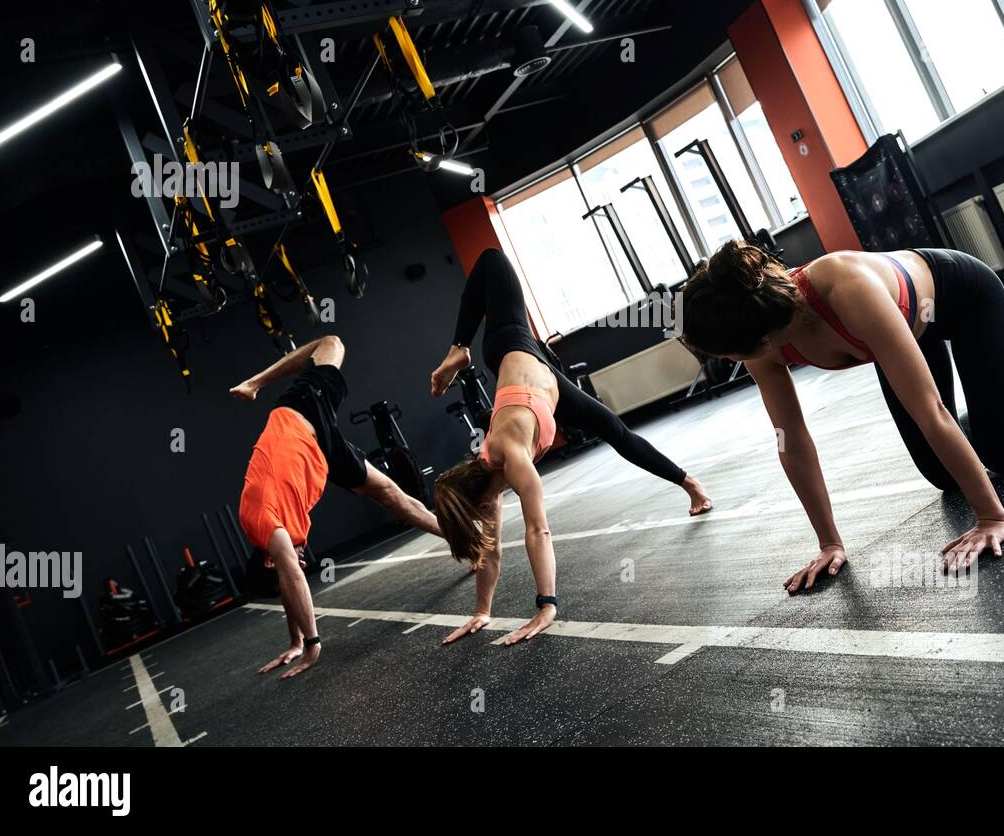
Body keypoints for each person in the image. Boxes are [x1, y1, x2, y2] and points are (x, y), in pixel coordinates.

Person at [679, 241, 1004, 591]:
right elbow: (791, 438)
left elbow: (931, 411)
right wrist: (829, 543)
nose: (728, 362)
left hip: (961, 298)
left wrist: (991, 517)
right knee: (943, 475)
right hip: (904, 328)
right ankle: (996, 392)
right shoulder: (761, 345)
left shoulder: (846, 289)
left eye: (727, 354)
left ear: (761, 338)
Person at [430, 248, 711, 646]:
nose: (490, 517)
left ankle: (692, 484)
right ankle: (692, 485)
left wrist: (546, 605)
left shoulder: (511, 457)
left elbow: (538, 531)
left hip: (511, 344)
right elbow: (490, 555)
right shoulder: (485, 481)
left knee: (492, 258)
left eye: (483, 513)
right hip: (545, 383)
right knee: (612, 429)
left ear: (481, 498)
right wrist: (481, 612)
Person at [231, 335, 440, 678]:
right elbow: (287, 580)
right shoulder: (273, 541)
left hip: (299, 412)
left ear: (268, 558)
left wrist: (312, 644)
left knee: (331, 342)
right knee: (390, 493)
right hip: (321, 450)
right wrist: (294, 642)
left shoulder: (262, 523)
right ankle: (460, 538)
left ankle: (254, 383)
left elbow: (291, 573)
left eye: (285, 563)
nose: (299, 560)